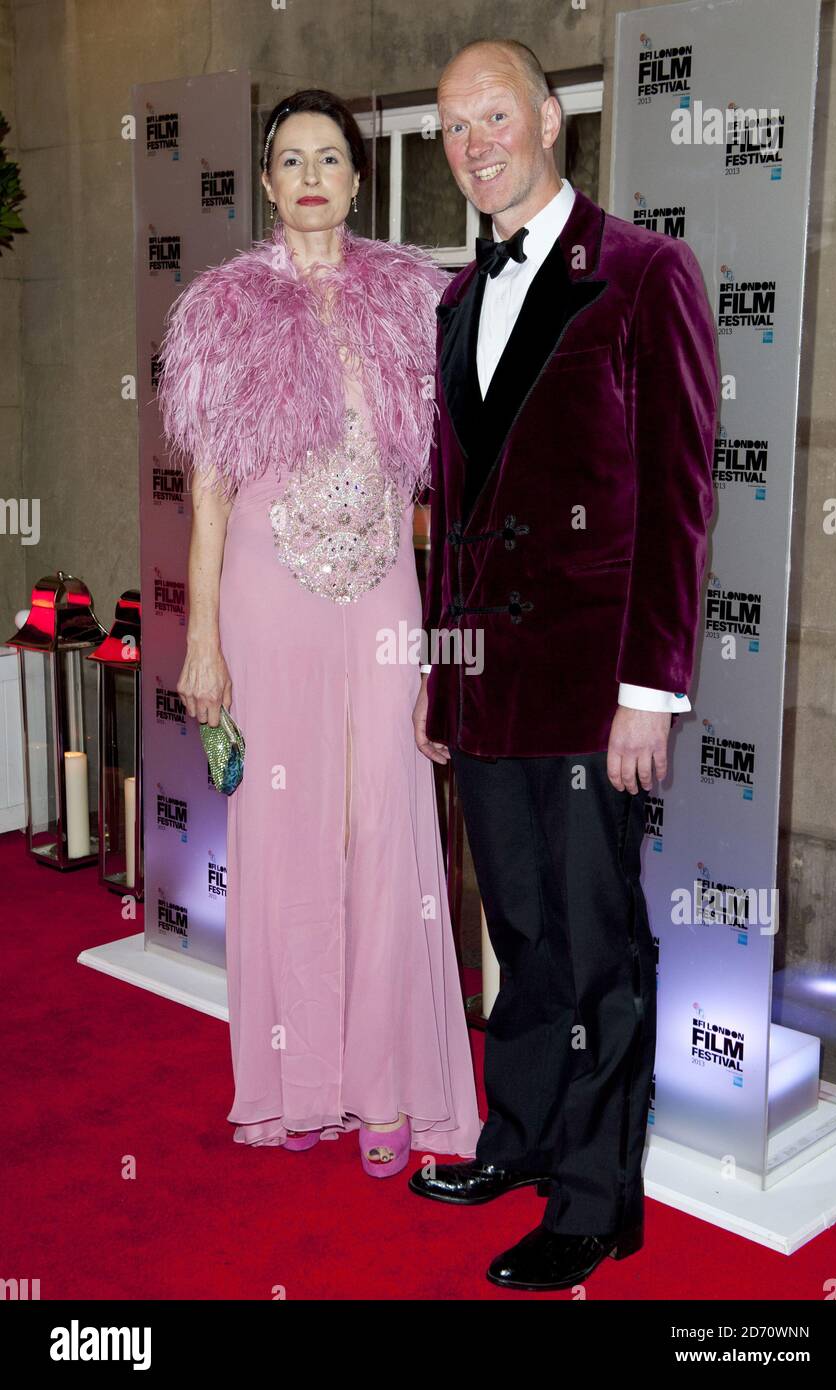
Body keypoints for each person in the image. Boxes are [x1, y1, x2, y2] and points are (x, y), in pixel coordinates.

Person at [409, 40, 719, 1288]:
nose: (473, 143)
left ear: (548, 119)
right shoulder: (449, 299)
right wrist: (439, 679)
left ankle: (593, 1202)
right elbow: (449, 508)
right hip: (485, 689)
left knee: (596, 948)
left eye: (494, 115)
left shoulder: (643, 273)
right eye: (450, 127)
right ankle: (519, 1137)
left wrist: (647, 689)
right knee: (522, 932)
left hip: (595, 694)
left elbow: (679, 496)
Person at [156, 89, 481, 1177]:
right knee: (286, 838)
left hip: (383, 588)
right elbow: (205, 492)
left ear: (356, 178)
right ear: (264, 181)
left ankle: (389, 1088)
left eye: (329, 157)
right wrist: (202, 641)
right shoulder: (220, 310)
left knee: (388, 829)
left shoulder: (414, 302)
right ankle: (300, 1083)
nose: (309, 175)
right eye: (289, 158)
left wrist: (438, 645)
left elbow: (448, 486)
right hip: (264, 590)